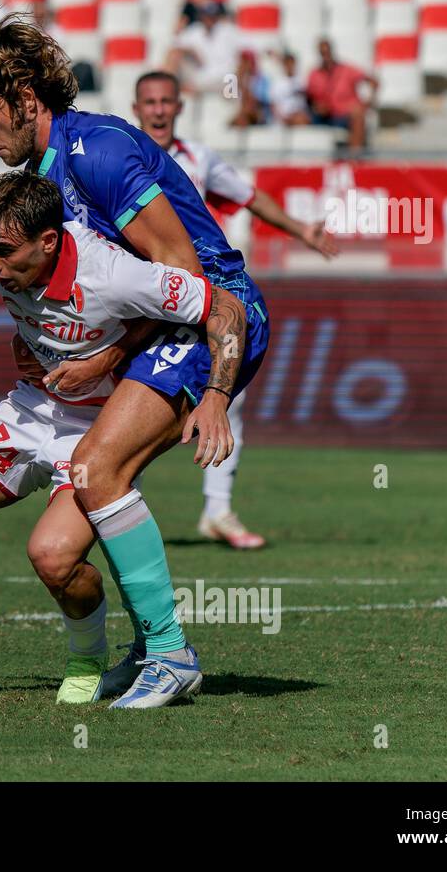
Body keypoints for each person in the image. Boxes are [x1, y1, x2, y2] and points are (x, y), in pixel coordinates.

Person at [0, 172, 248, 705]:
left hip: (98, 431)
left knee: (52, 557)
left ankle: (88, 656)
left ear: (49, 241)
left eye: (6, 254)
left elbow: (226, 309)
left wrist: (214, 393)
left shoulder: (113, 274)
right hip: (30, 410)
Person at [0, 15, 270, 706]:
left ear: (26, 96)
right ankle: (148, 647)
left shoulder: (96, 150)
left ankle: (169, 654)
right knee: (56, 552)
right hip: (164, 325)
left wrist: (120, 363)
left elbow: (192, 283)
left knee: (97, 469)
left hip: (214, 320)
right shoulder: (45, 168)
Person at [132, 69, 339, 549]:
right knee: (131, 402)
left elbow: (249, 197)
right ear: (137, 107)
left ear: (180, 106)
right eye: (151, 102)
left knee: (230, 398)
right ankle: (116, 503)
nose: (159, 109)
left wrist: (300, 230)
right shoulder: (120, 157)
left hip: (199, 296)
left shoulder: (198, 159)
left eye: (167, 100)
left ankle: (218, 511)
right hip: (140, 297)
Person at [306, 38, 378, 152]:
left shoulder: (347, 69)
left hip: (345, 115)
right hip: (325, 117)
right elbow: (309, 98)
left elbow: (373, 81)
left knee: (358, 116)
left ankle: (354, 159)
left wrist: (368, 103)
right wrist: (318, 107)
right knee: (299, 119)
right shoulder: (314, 74)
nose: (325, 55)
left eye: (327, 52)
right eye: (322, 53)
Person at [167, 0, 245, 95]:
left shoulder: (229, 30)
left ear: (217, 16)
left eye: (212, 15)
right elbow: (174, 48)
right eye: (206, 15)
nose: (209, 19)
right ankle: (168, 89)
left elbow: (245, 54)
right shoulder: (194, 31)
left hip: (226, 79)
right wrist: (190, 52)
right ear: (201, 16)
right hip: (201, 78)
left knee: (234, 81)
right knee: (175, 55)